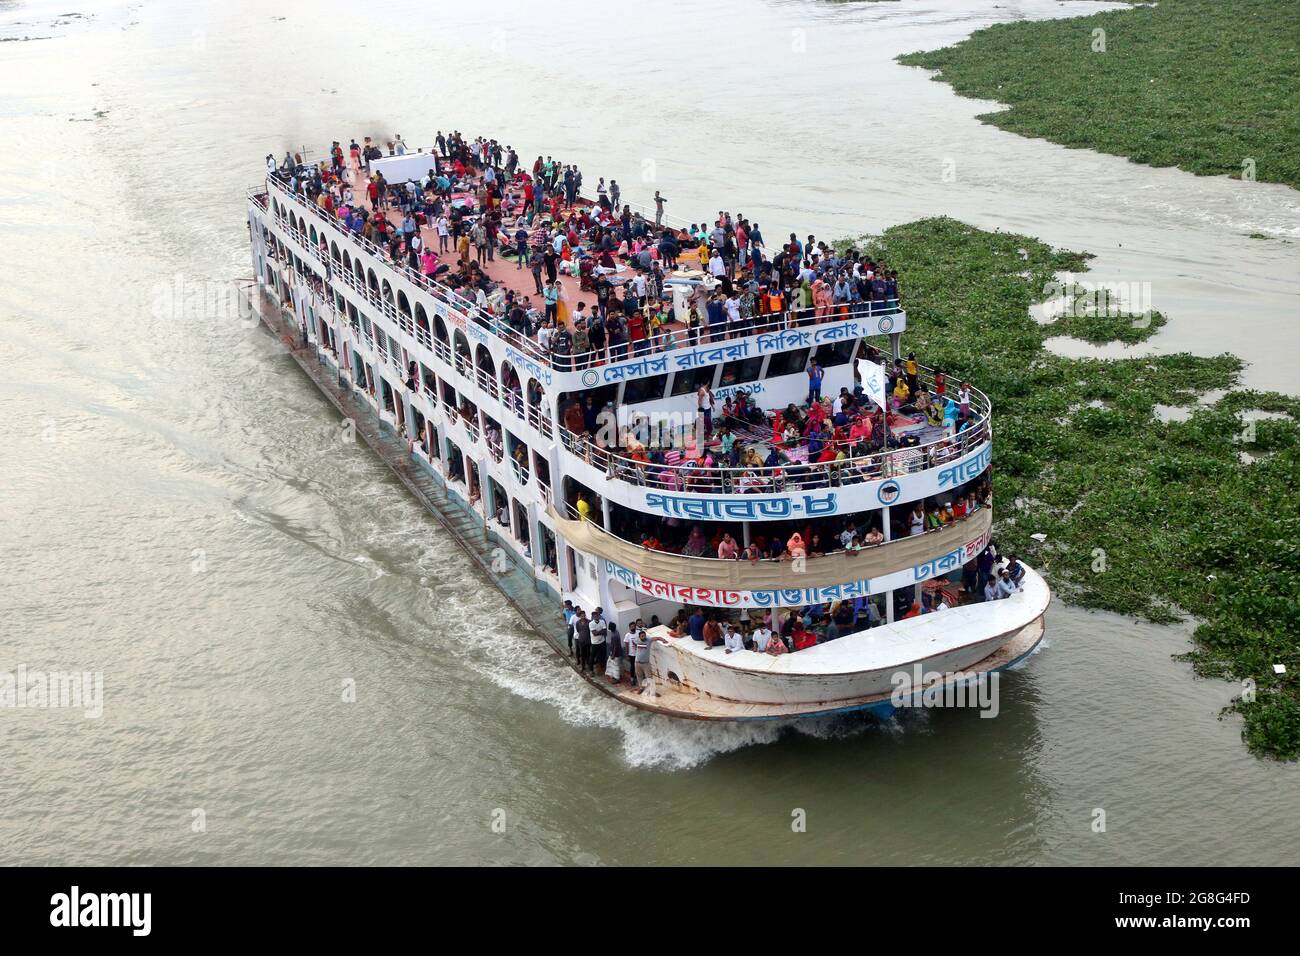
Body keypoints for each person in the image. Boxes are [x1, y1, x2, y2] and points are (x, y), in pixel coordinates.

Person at [589, 607, 608, 675]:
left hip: (602, 642)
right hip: (594, 643)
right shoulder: (591, 623)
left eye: (597, 615)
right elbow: (594, 633)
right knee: (592, 656)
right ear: (593, 617)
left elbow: (605, 631)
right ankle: (591, 670)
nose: (596, 617)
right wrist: (601, 631)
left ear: (599, 615)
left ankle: (603, 668)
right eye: (594, 616)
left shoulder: (602, 621)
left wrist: (598, 632)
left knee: (603, 655)